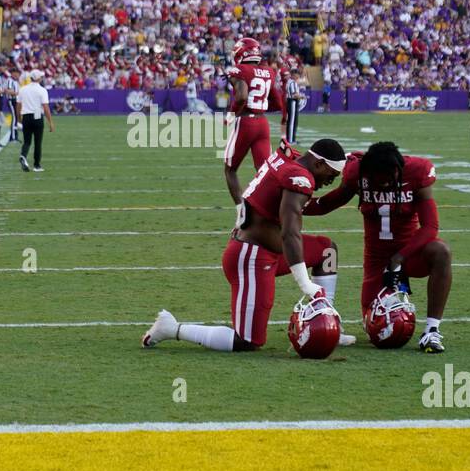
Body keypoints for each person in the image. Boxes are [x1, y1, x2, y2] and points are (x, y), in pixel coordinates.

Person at [143, 138, 353, 353]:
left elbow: (315, 207)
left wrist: (349, 189)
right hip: (251, 257)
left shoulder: (292, 165)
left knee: (326, 250)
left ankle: (327, 319)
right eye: (331, 176)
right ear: (318, 164)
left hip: (268, 252)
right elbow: (290, 233)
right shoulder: (298, 177)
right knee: (247, 341)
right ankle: (172, 328)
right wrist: (305, 283)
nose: (330, 182)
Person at [305, 140, 452, 352]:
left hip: (409, 252)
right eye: (378, 180)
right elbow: (328, 204)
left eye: (389, 180)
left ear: (398, 170)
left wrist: (400, 257)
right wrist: (292, 204)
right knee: (377, 330)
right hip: (376, 259)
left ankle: (432, 331)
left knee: (441, 252)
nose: (384, 185)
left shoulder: (416, 173)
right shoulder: (357, 173)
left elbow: (430, 227)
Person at [222, 36, 283, 203]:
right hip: (262, 123)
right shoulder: (269, 72)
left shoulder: (240, 70)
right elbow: (278, 103)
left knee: (230, 169)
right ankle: (271, 207)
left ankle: (242, 212)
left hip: (245, 122)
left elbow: (241, 97)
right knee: (264, 171)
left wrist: (231, 114)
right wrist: (259, 108)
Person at [17, 68, 54, 172]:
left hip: (26, 116)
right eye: (41, 77)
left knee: (27, 141)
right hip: (37, 115)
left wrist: (19, 119)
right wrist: (50, 122)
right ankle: (37, 165)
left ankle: (23, 155)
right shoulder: (42, 90)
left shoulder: (23, 89)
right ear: (38, 78)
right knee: (38, 142)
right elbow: (45, 107)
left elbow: (18, 106)